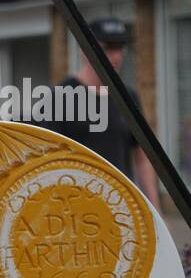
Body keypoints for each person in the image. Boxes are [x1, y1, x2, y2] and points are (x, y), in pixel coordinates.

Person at [54, 17, 162, 213]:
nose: (116, 56)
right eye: (108, 48)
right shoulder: (60, 96)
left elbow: (142, 158)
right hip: (74, 213)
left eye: (120, 47)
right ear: (84, 51)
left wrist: (156, 213)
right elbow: (46, 160)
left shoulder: (129, 97)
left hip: (121, 209)